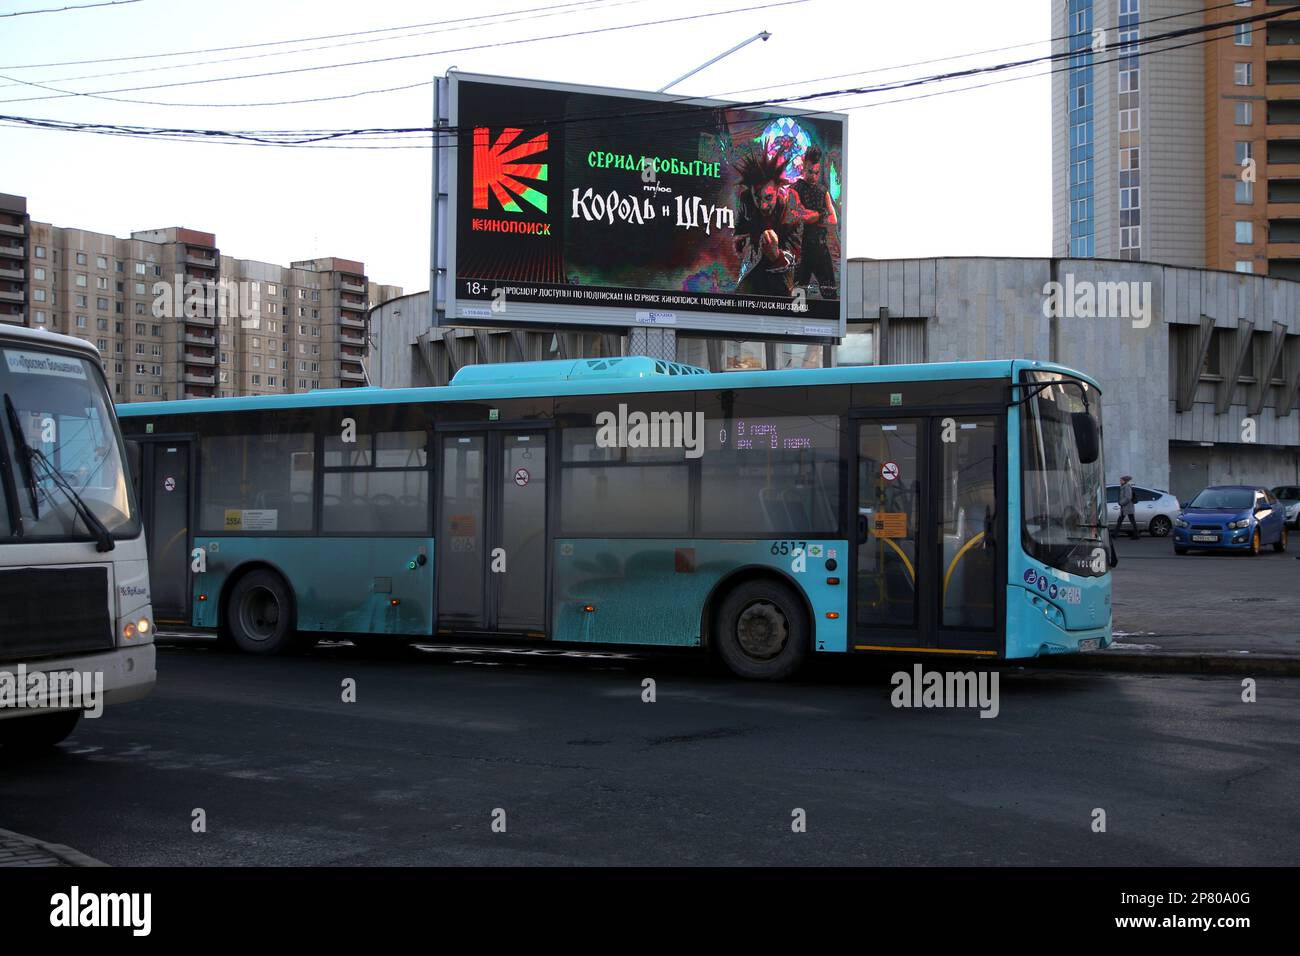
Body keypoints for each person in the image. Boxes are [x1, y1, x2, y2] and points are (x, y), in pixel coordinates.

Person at [733, 148, 801, 298]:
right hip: (753, 269)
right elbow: (738, 233)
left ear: (778, 191)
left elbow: (796, 253)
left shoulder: (791, 205)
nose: (763, 205)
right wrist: (744, 243)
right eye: (757, 197)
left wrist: (776, 255)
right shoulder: (746, 199)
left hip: (780, 276)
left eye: (768, 198)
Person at [790, 147, 839, 300]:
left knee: (830, 294)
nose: (813, 176)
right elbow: (799, 215)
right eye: (810, 172)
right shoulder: (794, 189)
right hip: (802, 249)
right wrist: (820, 214)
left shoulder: (823, 191)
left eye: (816, 173)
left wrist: (813, 215)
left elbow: (834, 219)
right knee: (797, 297)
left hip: (821, 248)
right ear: (804, 168)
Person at [1116, 475, 1139, 539]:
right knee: (1120, 520)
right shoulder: (1123, 486)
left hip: (1128, 507)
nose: (1120, 481)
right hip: (1125, 507)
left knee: (1131, 521)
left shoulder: (1127, 487)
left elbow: (1128, 497)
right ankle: (1115, 534)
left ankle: (1136, 535)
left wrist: (1121, 503)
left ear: (1124, 481)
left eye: (1121, 480)